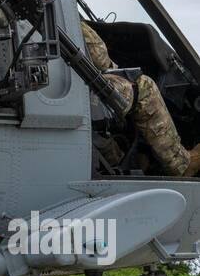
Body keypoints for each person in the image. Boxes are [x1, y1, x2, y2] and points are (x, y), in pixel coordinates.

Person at [80, 19, 200, 177]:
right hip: (78, 91)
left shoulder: (38, 10)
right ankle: (181, 164)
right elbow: (100, 61)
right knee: (143, 86)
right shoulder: (55, 6)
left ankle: (133, 158)